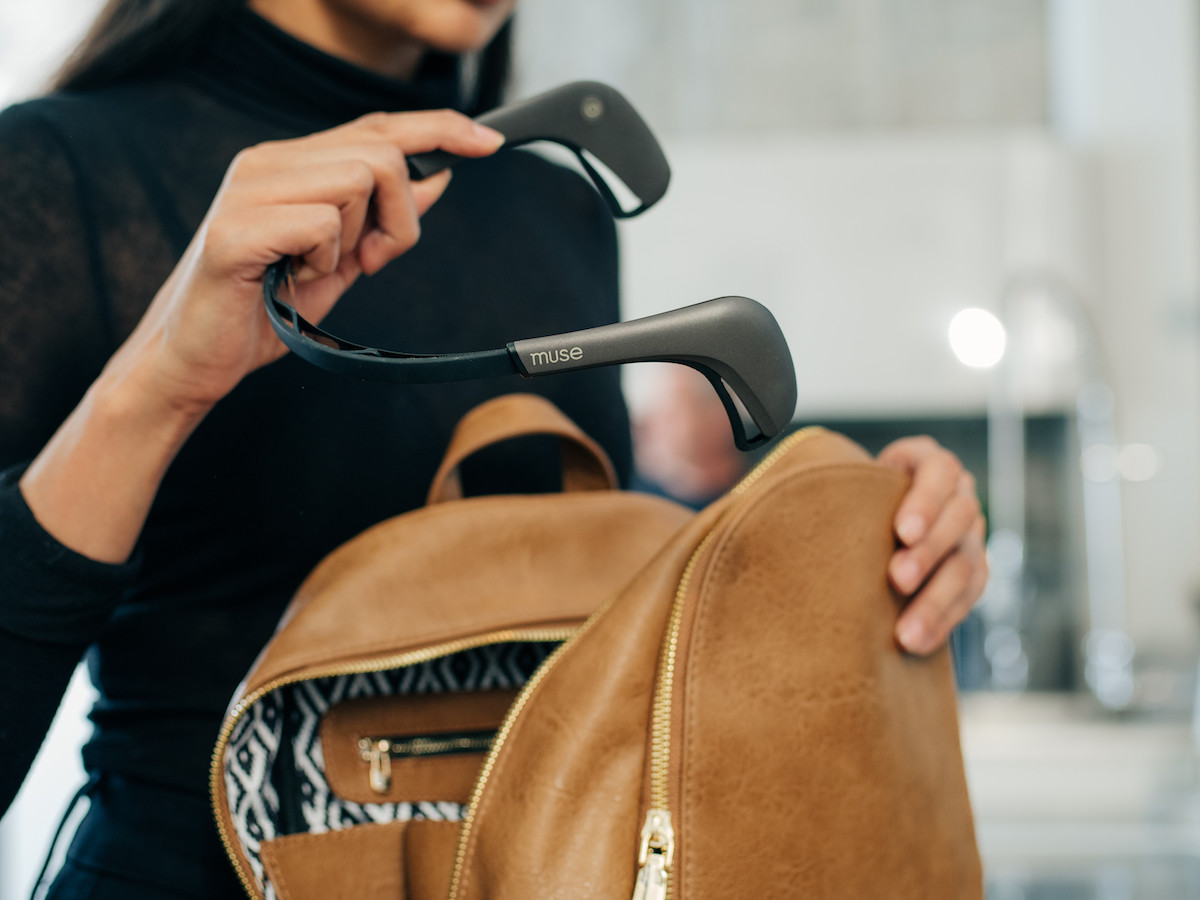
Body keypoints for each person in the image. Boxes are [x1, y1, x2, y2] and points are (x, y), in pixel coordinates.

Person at [0, 0, 988, 896]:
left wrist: (859, 543)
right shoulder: (54, 174)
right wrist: (161, 381)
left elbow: (545, 599)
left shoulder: (557, 206)